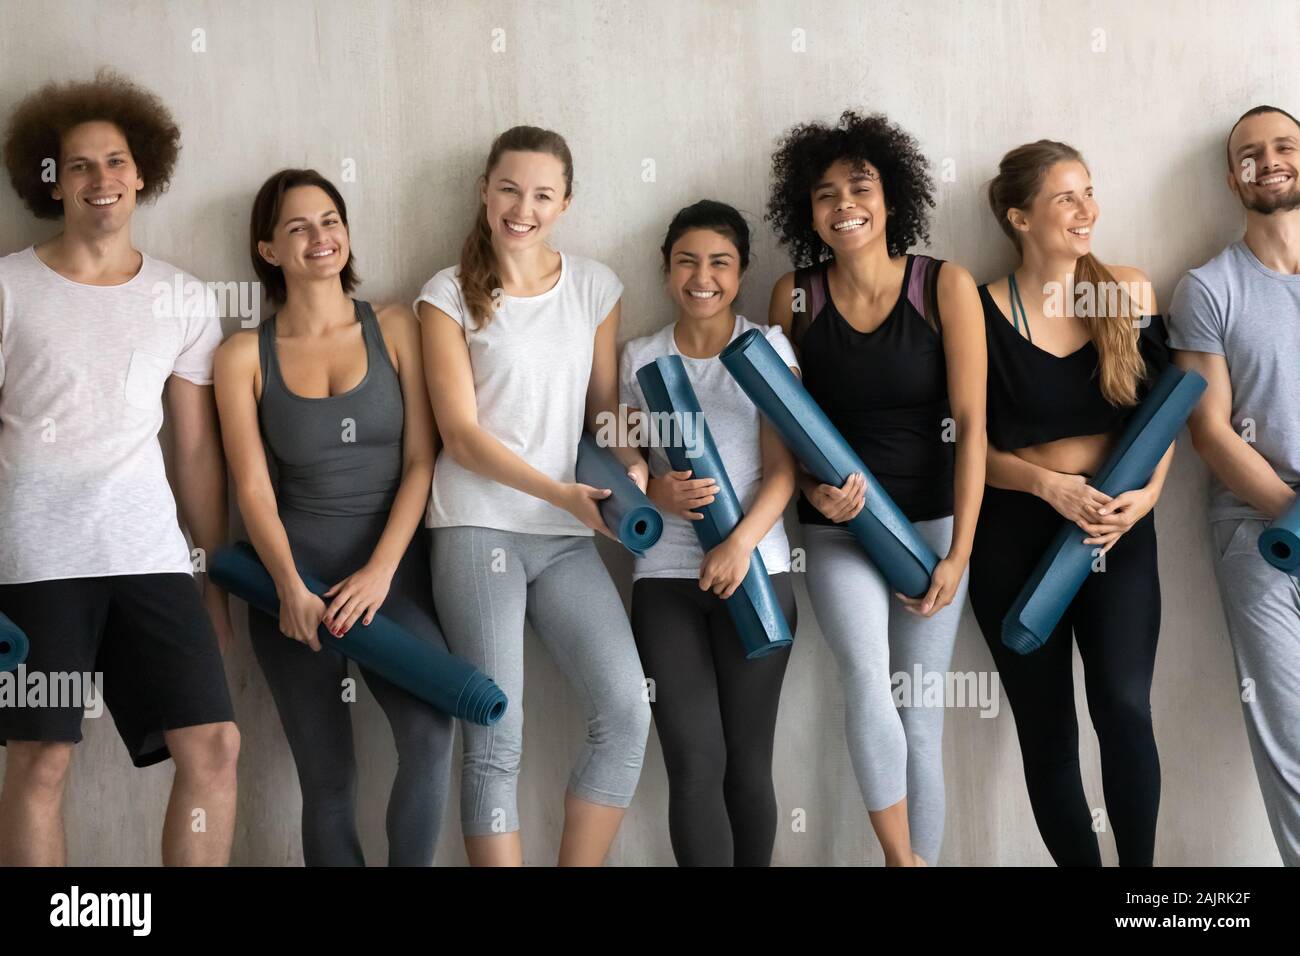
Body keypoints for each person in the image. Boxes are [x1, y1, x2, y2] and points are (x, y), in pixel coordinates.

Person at [0, 71, 239, 866]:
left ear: (142, 174)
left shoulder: (182, 297)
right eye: (79, 165)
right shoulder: (7, 286)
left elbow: (196, 448)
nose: (99, 180)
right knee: (41, 760)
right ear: (51, 180)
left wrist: (210, 571)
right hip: (35, 561)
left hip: (149, 555)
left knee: (214, 748)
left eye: (115, 162)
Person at [416, 125, 651, 866]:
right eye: (510, 189)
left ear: (565, 204)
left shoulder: (595, 287)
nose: (523, 207)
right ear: (486, 190)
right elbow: (459, 434)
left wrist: (632, 469)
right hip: (478, 528)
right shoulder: (446, 293)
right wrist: (558, 490)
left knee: (625, 709)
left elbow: (603, 411)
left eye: (542, 194)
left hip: (568, 533)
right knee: (497, 732)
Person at [214, 169, 455, 866]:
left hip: (393, 578)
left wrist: (381, 572)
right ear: (268, 250)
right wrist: (289, 586)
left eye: (330, 220)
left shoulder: (396, 325)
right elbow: (252, 489)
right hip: (294, 588)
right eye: (298, 226)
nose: (321, 238)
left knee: (430, 734)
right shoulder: (241, 356)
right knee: (328, 780)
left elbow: (421, 462)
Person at [765, 110, 986, 866]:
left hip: (931, 528)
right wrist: (813, 494)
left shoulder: (945, 284)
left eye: (859, 187)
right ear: (809, 213)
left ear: (893, 198)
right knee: (867, 681)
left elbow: (973, 424)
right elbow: (783, 425)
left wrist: (959, 552)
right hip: (837, 531)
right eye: (824, 195)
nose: (843, 205)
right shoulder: (792, 296)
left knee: (921, 715)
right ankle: (903, 862)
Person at [970, 139, 1171, 866]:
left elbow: (1164, 414)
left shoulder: (1129, 291)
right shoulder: (977, 307)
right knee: (1047, 732)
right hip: (1014, 538)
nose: (1088, 211)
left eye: (1089, 191)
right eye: (1066, 197)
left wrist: (1146, 496)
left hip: (1116, 533)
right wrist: (1043, 484)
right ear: (1020, 217)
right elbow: (965, 448)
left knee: (1122, 707)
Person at [620, 200, 799, 866]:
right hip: (665, 580)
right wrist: (651, 485)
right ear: (667, 272)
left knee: (747, 766)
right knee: (695, 763)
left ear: (742, 272)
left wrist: (738, 543)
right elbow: (621, 453)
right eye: (686, 261)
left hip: (759, 572)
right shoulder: (639, 357)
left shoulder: (768, 348)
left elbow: (784, 472)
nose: (703, 277)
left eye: (720, 262)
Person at [1168, 105, 1300, 866]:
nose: (1271, 160)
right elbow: (1210, 431)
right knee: (1288, 734)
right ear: (1233, 178)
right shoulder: (1208, 288)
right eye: (1252, 153)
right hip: (1260, 532)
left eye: (1285, 145)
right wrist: (1292, 515)